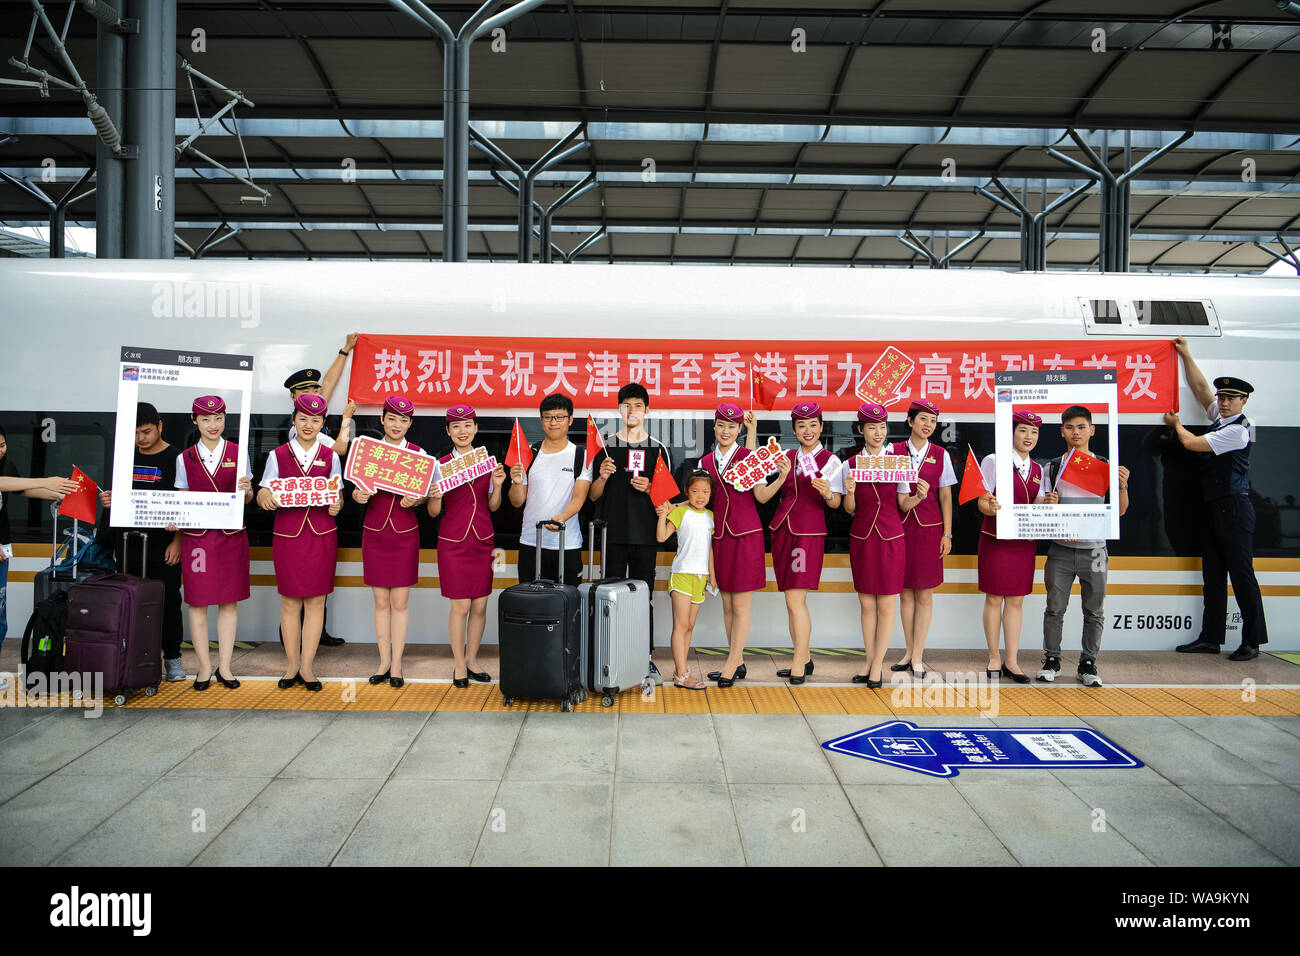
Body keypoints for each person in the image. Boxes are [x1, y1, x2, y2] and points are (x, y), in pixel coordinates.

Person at [1164, 337, 1269, 660]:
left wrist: (1177, 425)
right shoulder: (1222, 418)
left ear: (1244, 401)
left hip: (1234, 508)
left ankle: (1252, 640)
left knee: (1241, 574)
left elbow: (1193, 444)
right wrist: (1185, 353)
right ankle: (1211, 637)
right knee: (1213, 574)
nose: (1223, 402)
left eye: (1231, 398)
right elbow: (1199, 389)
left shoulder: (1239, 430)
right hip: (1215, 507)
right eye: (1222, 396)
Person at [1037, 405, 1130, 687]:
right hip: (1060, 549)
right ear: (1062, 431)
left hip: (1095, 549)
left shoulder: (1105, 467)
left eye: (1081, 427)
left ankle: (1088, 664)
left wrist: (1123, 487)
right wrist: (1047, 504)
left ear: (1092, 430)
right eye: (1069, 427)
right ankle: (1051, 659)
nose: (1075, 432)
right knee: (1055, 608)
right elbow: (1041, 505)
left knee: (1094, 610)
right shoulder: (1052, 466)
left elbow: (1120, 512)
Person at [258, 394, 344, 692]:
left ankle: (307, 666)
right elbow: (263, 491)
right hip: (288, 537)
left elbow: (337, 494)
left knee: (317, 602)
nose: (309, 425)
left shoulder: (331, 456)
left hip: (321, 536)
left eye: (316, 420)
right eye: (304, 418)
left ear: (323, 424)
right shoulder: (278, 455)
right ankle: (291, 664)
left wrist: (337, 505)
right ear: (294, 420)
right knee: (290, 602)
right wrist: (264, 497)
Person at [589, 383, 673, 684]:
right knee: (609, 599)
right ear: (619, 409)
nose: (632, 410)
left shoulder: (658, 449)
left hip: (646, 538)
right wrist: (602, 476)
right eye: (626, 405)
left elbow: (668, 502)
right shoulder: (606, 448)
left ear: (647, 410)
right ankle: (608, 655)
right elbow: (594, 496)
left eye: (637, 405)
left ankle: (645, 658)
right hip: (612, 537)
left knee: (643, 599)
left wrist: (651, 488)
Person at [96, 402, 187, 681]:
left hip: (164, 545)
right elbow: (116, 499)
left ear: (160, 426)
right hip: (128, 544)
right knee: (130, 602)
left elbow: (186, 503)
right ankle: (134, 660)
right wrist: (107, 501)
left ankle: (172, 659)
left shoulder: (178, 458)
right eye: (135, 433)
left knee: (169, 601)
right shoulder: (124, 457)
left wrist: (178, 540)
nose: (141, 439)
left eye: (146, 431)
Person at [170, 396, 253, 691]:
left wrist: (247, 491)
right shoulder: (185, 458)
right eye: (205, 419)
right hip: (198, 540)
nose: (213, 425)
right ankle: (204, 668)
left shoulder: (238, 452)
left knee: (229, 603)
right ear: (194, 421)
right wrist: (175, 522)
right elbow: (180, 499)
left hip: (231, 538)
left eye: (218, 418)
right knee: (198, 603)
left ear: (225, 418)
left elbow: (249, 497)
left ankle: (226, 667)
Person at [758, 401, 843, 685]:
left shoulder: (831, 460)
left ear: (821, 428)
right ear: (794, 429)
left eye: (813, 425)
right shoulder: (787, 456)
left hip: (808, 533)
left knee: (796, 599)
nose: (808, 430)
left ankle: (798, 662)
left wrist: (828, 492)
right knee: (789, 599)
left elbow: (837, 503)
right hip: (783, 530)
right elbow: (757, 478)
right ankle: (804, 658)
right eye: (802, 425)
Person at [280, 340, 358, 648]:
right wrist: (347, 418)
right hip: (299, 523)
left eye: (314, 392)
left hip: (318, 523)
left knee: (316, 584)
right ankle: (291, 638)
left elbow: (327, 384)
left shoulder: (311, 418)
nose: (314, 396)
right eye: (305, 392)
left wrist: (344, 351)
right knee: (295, 589)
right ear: (293, 398)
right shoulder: (298, 430)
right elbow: (339, 449)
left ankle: (314, 633)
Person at [429, 404, 506, 689]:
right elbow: (434, 512)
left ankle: (473, 660)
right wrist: (435, 495)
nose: (463, 431)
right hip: (452, 542)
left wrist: (498, 486)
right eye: (456, 426)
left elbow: (493, 506)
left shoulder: (486, 462)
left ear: (475, 429)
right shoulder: (440, 466)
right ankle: (459, 664)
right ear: (448, 432)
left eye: (467, 425)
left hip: (482, 540)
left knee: (480, 605)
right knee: (460, 605)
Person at [353, 396, 426, 688]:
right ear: (382, 420)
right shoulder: (368, 451)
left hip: (405, 534)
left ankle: (397, 664)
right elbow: (357, 491)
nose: (397, 425)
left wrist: (417, 498)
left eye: (404, 420)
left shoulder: (418, 454)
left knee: (400, 601)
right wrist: (357, 496)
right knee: (380, 601)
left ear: (410, 423)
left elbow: (427, 494)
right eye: (392, 418)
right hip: (375, 532)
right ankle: (383, 661)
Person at [976, 410, 1048, 683]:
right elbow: (982, 501)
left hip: (1023, 541)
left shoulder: (1039, 470)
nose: (1029, 437)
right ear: (1011, 433)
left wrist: (1048, 504)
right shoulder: (994, 461)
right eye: (1023, 431)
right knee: (994, 598)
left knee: (1016, 600)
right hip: (995, 539)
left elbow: (1037, 504)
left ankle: (1012, 661)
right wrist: (990, 507)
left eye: (1034, 432)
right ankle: (994, 657)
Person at [0, 426, 75, 686]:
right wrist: (46, 480)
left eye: (1, 445)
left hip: (2, 551)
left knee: (0, 615)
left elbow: (20, 489)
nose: (0, 451)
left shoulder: (6, 467)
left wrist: (60, 493)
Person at [843, 403, 909, 687]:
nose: (878, 432)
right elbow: (848, 509)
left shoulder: (899, 462)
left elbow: (904, 504)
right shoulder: (851, 464)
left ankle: (878, 665)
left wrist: (918, 496)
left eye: (882, 427)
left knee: (886, 605)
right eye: (872, 428)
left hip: (892, 538)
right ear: (861, 430)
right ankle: (870, 661)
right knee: (866, 604)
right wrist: (849, 491)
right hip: (862, 538)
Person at [889, 399, 956, 679]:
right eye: (922, 419)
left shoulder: (941, 454)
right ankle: (907, 651)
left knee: (924, 594)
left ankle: (918, 656)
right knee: (905, 593)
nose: (928, 425)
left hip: (930, 529)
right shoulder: (893, 450)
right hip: (900, 527)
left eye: (932, 421)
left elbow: (945, 496)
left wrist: (947, 533)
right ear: (909, 421)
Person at [697, 404, 761, 687]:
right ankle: (738, 660)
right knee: (726, 603)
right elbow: (700, 499)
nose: (726, 431)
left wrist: (754, 432)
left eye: (732, 426)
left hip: (747, 535)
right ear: (714, 427)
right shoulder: (705, 461)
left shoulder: (750, 457)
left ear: (739, 429)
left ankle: (732, 661)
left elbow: (760, 495)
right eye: (721, 425)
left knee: (741, 604)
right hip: (720, 536)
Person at [507, 393, 591, 587]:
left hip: (567, 544)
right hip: (531, 542)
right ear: (541, 419)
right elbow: (517, 501)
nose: (554, 422)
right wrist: (517, 481)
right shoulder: (528, 454)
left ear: (570, 420)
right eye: (548, 417)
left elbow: (579, 498)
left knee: (567, 606)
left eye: (560, 417)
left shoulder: (581, 455)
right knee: (530, 607)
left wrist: (561, 518)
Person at [655, 470, 717, 690]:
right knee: (680, 625)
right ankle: (682, 673)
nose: (700, 496)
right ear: (686, 492)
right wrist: (664, 513)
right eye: (695, 491)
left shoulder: (710, 516)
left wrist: (712, 574)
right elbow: (661, 537)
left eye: (705, 492)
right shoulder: (680, 513)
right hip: (682, 575)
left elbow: (709, 549)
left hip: (700, 578)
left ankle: (680, 670)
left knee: (689, 626)